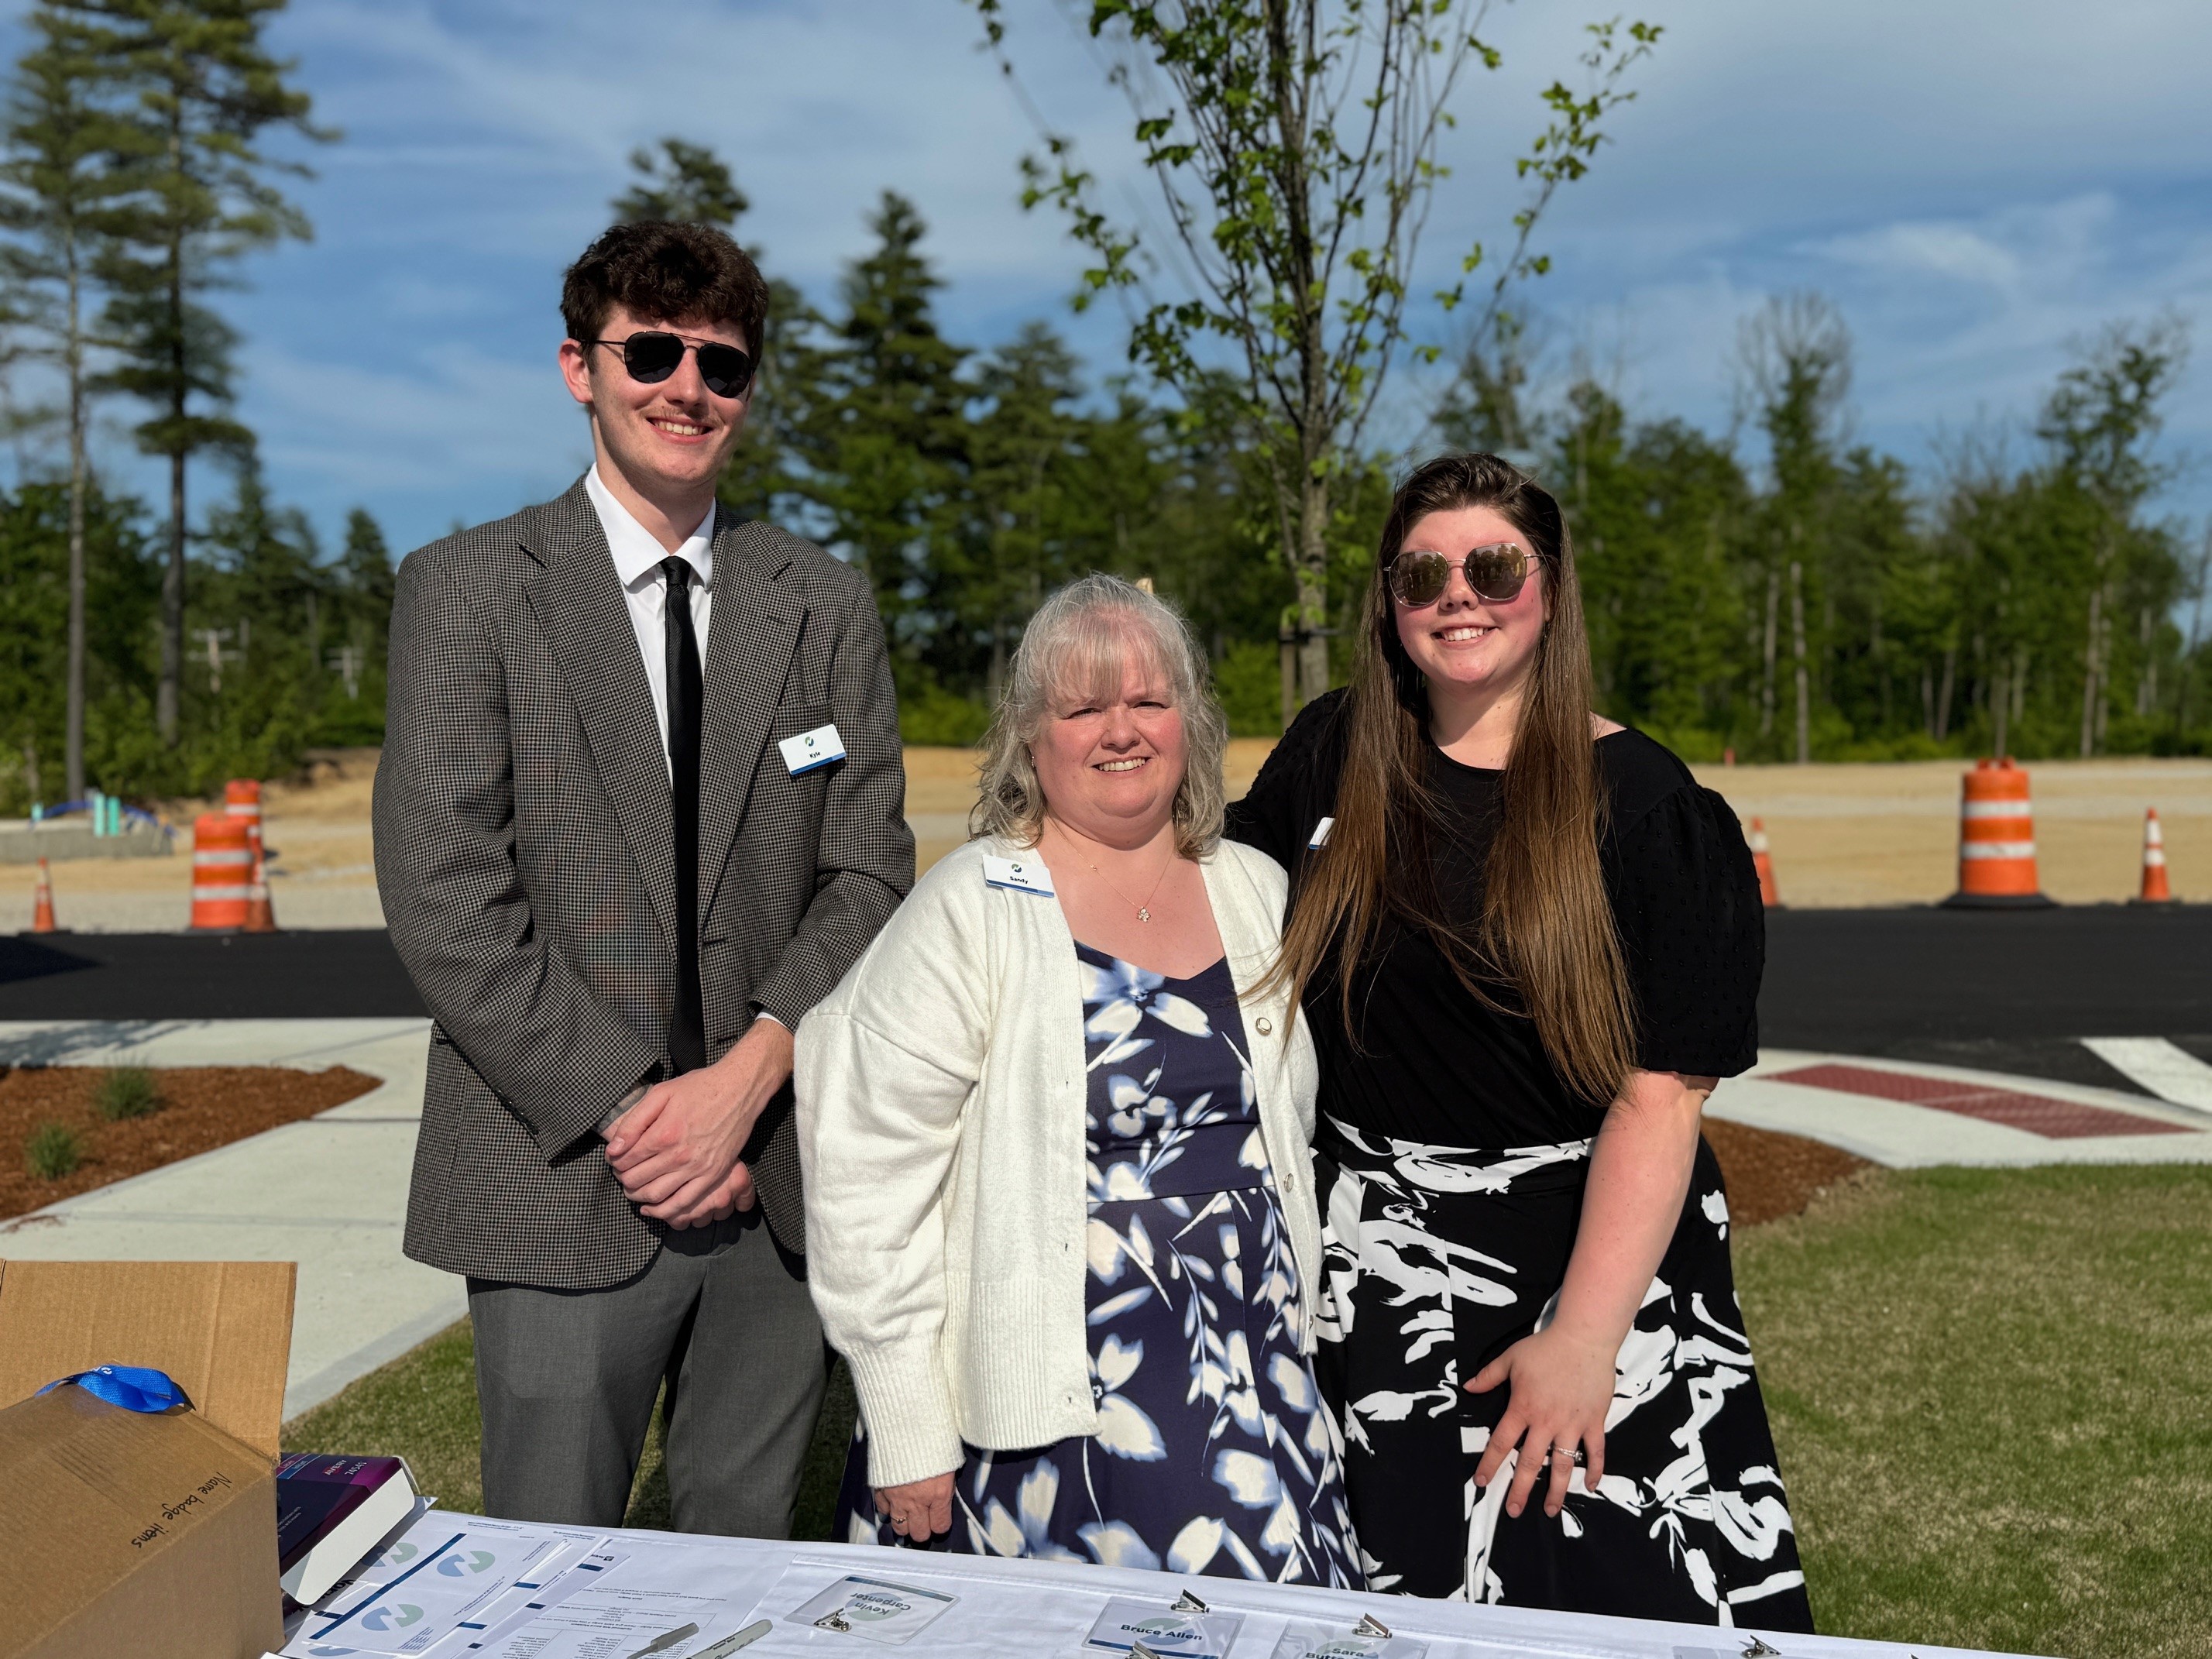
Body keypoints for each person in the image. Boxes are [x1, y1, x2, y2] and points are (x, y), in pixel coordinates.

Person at [374, 219, 912, 1537]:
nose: (687, 388)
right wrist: (637, 1110)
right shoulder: (467, 590)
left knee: (741, 1571)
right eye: (654, 352)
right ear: (580, 366)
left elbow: (870, 870)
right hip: (556, 1174)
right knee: (549, 1582)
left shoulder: (823, 602)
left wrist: (747, 1080)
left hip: (771, 1175)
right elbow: (447, 892)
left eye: (721, 366)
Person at [1226, 453, 1814, 1629]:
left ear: (1547, 589)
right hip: (1372, 1266)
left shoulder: (1647, 809)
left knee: (1593, 1592)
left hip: (1586, 1253)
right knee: (1382, 1607)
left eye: (1494, 566)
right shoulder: (1334, 749)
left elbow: (1661, 1101)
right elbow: (1216, 907)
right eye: (1422, 573)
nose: (1459, 594)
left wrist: (1585, 1339)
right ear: (1387, 603)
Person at [795, 575, 1359, 1585]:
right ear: (1029, 735)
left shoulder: (1253, 886)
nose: (1122, 730)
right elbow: (861, 1172)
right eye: (1084, 706)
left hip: (1255, 1375)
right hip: (1060, 1399)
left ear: (1190, 718)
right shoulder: (970, 905)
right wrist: (907, 1419)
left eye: (1149, 700)